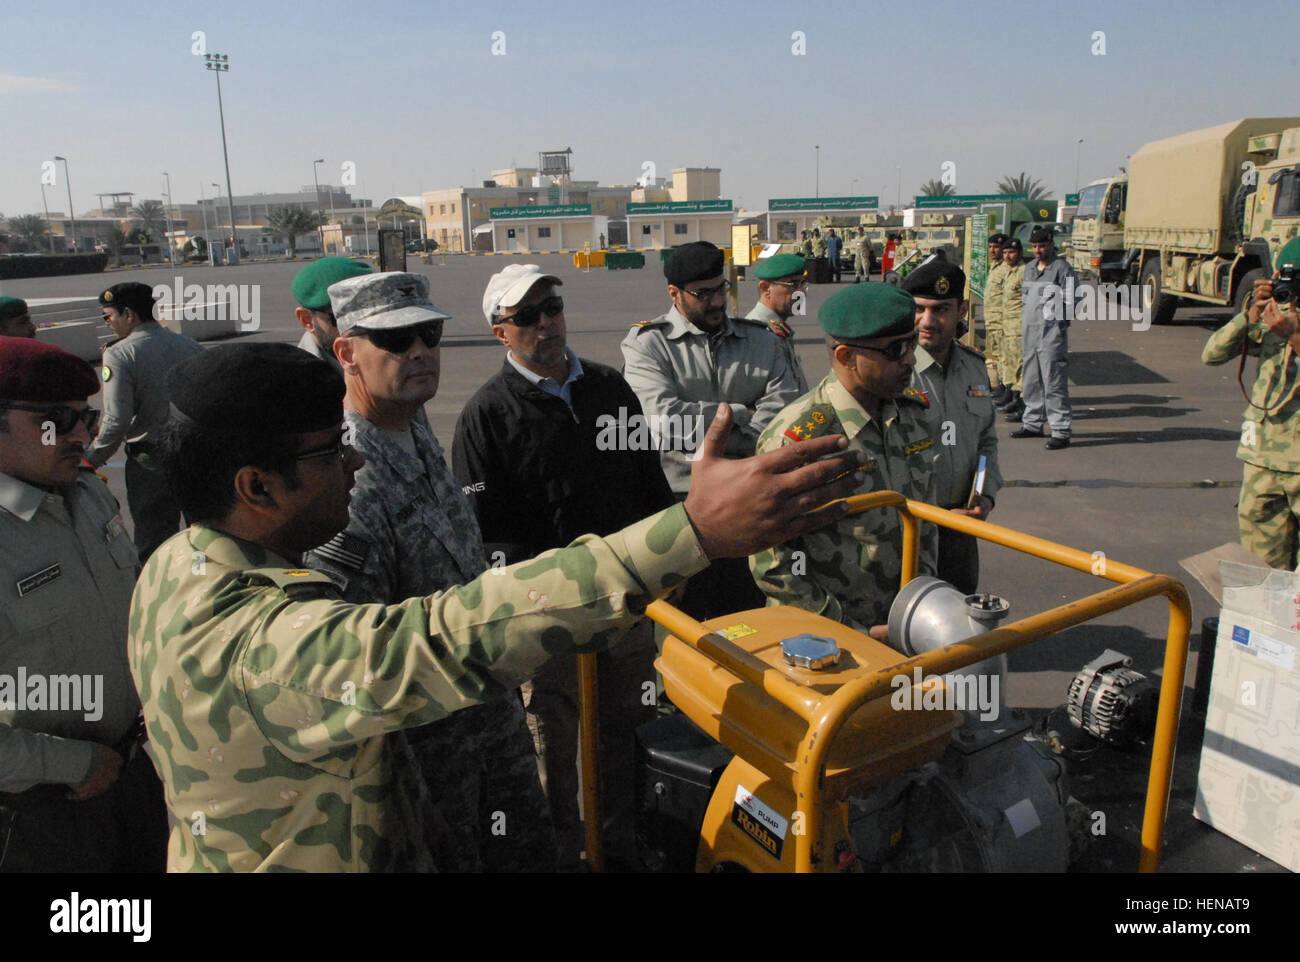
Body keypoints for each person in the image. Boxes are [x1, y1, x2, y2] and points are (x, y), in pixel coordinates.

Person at [128, 341, 864, 872]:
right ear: (257, 487)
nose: (352, 462)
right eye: (330, 454)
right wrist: (692, 533)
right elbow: (442, 638)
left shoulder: (174, 564)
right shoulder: (260, 645)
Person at [300, 271, 552, 873]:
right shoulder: (351, 478)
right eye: (394, 341)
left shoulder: (413, 428)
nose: (418, 351)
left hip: (488, 721)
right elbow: (361, 659)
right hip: (426, 755)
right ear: (345, 353)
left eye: (429, 335)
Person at [453, 263, 675, 869]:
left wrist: (664, 579)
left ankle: (622, 847)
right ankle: (563, 855)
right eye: (527, 316)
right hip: (543, 621)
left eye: (551, 308)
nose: (546, 324)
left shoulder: (609, 389)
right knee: (551, 748)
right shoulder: (486, 417)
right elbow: (483, 539)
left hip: (625, 610)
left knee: (628, 733)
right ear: (501, 332)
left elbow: (650, 489)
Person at [0, 337, 166, 872]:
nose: (80, 435)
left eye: (88, 418)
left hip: (129, 774)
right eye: (54, 420)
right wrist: (74, 763)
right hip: (41, 807)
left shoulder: (87, 493)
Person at [621, 241, 803, 618]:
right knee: (683, 631)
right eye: (703, 294)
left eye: (721, 289)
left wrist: (709, 423)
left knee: (754, 620)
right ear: (675, 294)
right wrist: (741, 412)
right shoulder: (649, 345)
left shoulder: (763, 340)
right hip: (681, 510)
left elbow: (785, 418)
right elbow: (663, 422)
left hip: (753, 502)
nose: (718, 301)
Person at [750, 284, 938, 635]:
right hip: (823, 638)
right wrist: (849, 632)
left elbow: (926, 523)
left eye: (912, 344)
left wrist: (922, 607)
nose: (911, 359)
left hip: (907, 623)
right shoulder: (798, 440)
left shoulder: (914, 415)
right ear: (846, 357)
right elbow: (773, 563)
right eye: (896, 350)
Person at [903, 257, 1003, 593]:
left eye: (940, 310)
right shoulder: (895, 370)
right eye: (919, 309)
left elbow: (986, 441)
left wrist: (984, 496)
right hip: (909, 528)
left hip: (961, 527)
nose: (927, 321)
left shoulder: (975, 368)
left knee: (958, 620)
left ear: (961, 310)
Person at [83, 282, 203, 559]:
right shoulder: (190, 346)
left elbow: (116, 420)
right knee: (202, 537)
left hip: (152, 463)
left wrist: (91, 459)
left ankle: (159, 598)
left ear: (129, 315)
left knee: (155, 541)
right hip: (195, 455)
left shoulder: (119, 354)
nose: (108, 323)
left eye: (108, 316)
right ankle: (203, 586)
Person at [1202, 237, 1300, 570]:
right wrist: (1249, 315)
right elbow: (1211, 355)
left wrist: (1292, 336)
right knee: (1263, 569)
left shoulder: (1285, 324)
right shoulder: (1275, 312)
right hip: (1264, 459)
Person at [1011, 226, 1078, 449]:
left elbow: (1073, 299)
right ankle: (1032, 423)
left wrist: (1060, 324)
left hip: (1051, 334)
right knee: (1031, 380)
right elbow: (1025, 298)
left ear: (1051, 245)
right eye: (1035, 246)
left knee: (1054, 382)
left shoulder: (1062, 268)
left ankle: (1060, 430)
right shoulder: (1029, 268)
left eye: (1042, 246)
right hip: (1030, 332)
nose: (1038, 250)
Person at [291, 256, 373, 371]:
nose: (359, 327)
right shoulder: (300, 379)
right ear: (307, 320)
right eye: (341, 317)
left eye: (369, 313)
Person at [745, 253, 810, 393]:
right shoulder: (757, 333)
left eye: (802, 284)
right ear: (765, 288)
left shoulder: (777, 327)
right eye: (793, 285)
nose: (801, 293)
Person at [998, 239, 1026, 421]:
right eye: (1005, 252)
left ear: (1020, 253)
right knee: (1009, 363)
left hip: (1019, 327)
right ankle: (1014, 398)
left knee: (1020, 366)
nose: (1008, 256)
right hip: (1007, 326)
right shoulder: (1009, 271)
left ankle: (1023, 403)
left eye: (1012, 252)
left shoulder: (1024, 273)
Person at [983, 233, 1008, 398]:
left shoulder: (1007, 269)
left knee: (1005, 358)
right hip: (991, 321)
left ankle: (1007, 391)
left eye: (996, 247)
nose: (992, 250)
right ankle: (996, 388)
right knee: (992, 357)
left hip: (1003, 322)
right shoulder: (994, 266)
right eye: (990, 247)